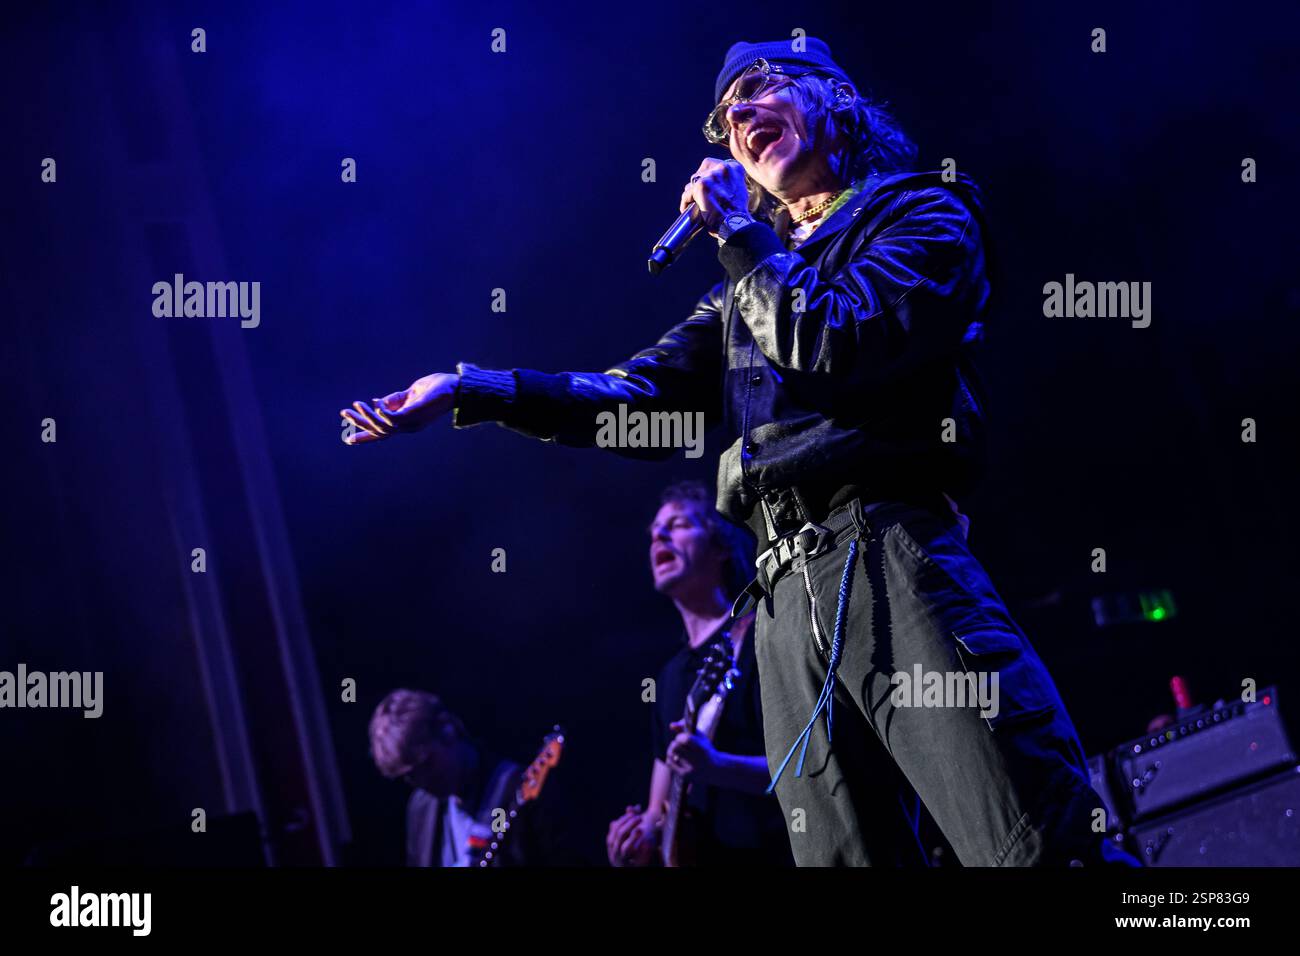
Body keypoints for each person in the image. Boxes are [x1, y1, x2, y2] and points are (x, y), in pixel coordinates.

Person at [343, 36, 1135, 867]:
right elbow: (630, 402)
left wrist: (741, 240)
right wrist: (470, 388)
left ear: (835, 98)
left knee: (1026, 837)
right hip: (781, 606)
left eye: (760, 90)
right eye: (725, 118)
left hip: (889, 561)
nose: (739, 119)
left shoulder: (922, 213)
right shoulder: (745, 288)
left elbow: (839, 338)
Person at [606, 481, 792, 866]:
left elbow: (807, 763)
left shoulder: (760, 635)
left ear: (720, 547)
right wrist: (639, 838)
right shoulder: (669, 677)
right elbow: (658, 811)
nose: (658, 534)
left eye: (677, 524)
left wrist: (719, 767)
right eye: (655, 530)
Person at [369, 689, 560, 866]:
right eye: (410, 776)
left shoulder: (521, 791)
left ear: (447, 729)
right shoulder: (420, 809)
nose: (423, 782)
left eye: (427, 764)